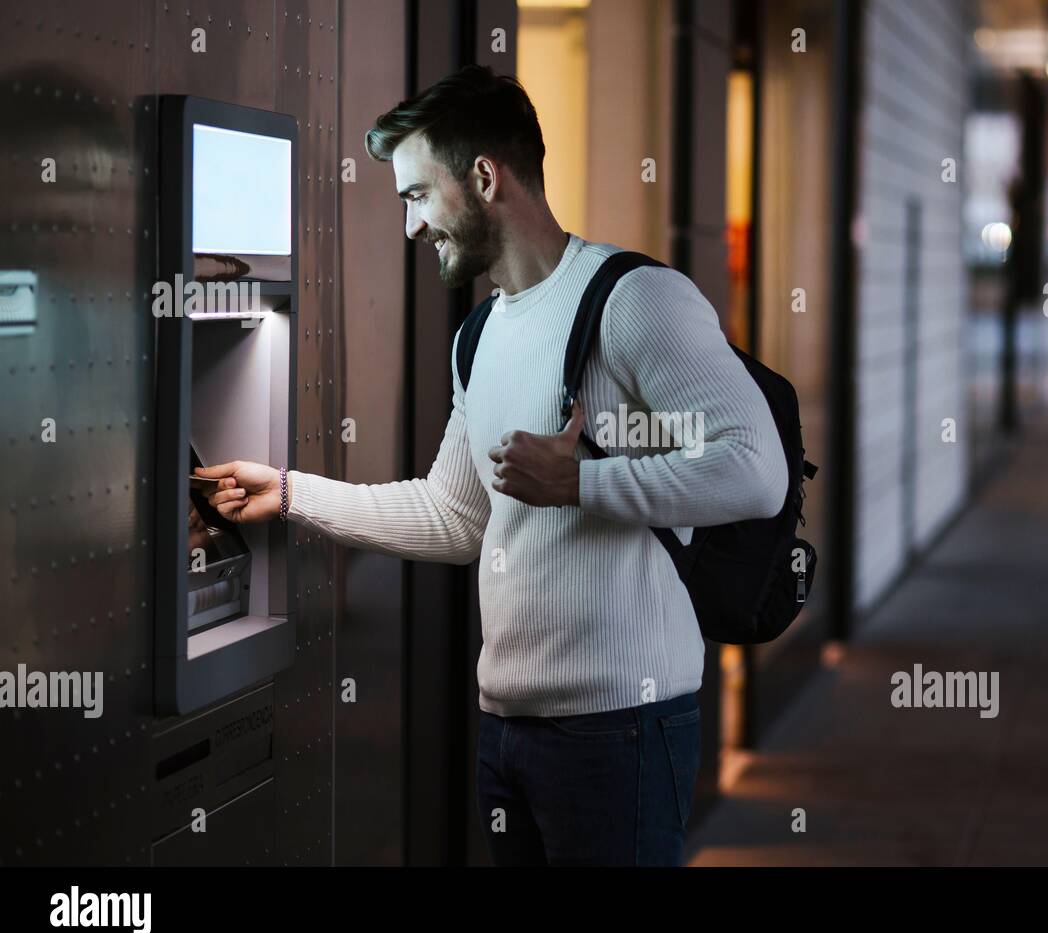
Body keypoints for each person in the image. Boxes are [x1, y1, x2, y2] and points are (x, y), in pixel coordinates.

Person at [197, 64, 786, 866]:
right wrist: (294, 494)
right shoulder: (478, 336)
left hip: (622, 731)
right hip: (509, 732)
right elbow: (455, 516)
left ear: (483, 176)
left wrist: (581, 482)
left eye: (416, 195)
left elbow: (756, 469)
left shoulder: (635, 299)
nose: (409, 226)